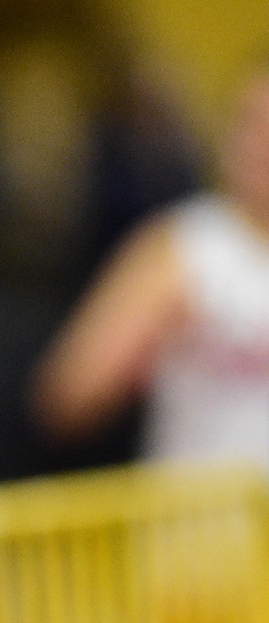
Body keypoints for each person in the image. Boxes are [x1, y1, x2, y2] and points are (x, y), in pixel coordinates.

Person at [32, 61, 269, 474]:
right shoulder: (183, 247)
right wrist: (129, 369)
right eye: (249, 125)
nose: (257, 146)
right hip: (199, 506)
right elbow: (65, 398)